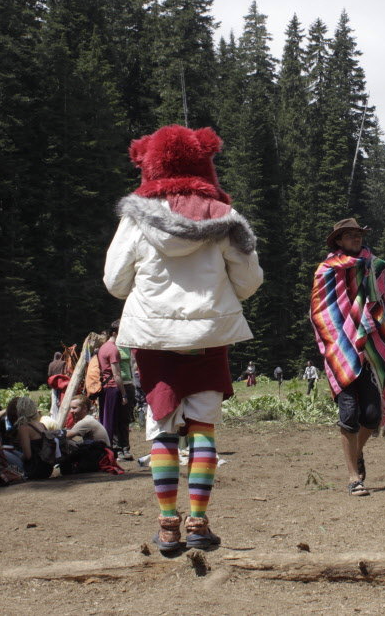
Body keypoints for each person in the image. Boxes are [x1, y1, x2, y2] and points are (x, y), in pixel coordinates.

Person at [104, 124, 263, 553]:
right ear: (205, 163)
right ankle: (198, 522)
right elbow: (249, 282)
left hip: (154, 338)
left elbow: (115, 282)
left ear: (148, 164)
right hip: (209, 336)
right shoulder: (225, 219)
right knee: (203, 431)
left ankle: (168, 525)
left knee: (162, 432)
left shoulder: (135, 218)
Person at [310, 217, 385, 497]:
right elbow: (321, 311)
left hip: (368, 348)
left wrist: (373, 333)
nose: (355, 238)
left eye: (358, 234)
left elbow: (380, 304)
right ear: (338, 241)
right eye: (349, 235)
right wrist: (340, 338)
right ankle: (353, 477)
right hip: (340, 349)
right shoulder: (326, 270)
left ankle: (356, 452)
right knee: (349, 414)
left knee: (371, 416)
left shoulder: (374, 266)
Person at [98, 321, 132, 461]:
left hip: (107, 388)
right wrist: (124, 394)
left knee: (111, 419)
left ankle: (115, 450)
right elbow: (117, 375)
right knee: (121, 419)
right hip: (115, 387)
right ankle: (118, 450)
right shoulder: (113, 349)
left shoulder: (103, 348)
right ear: (114, 333)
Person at [13, 396, 54, 480]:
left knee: (7, 453)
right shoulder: (41, 425)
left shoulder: (24, 427)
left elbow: (28, 456)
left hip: (34, 469)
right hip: (48, 468)